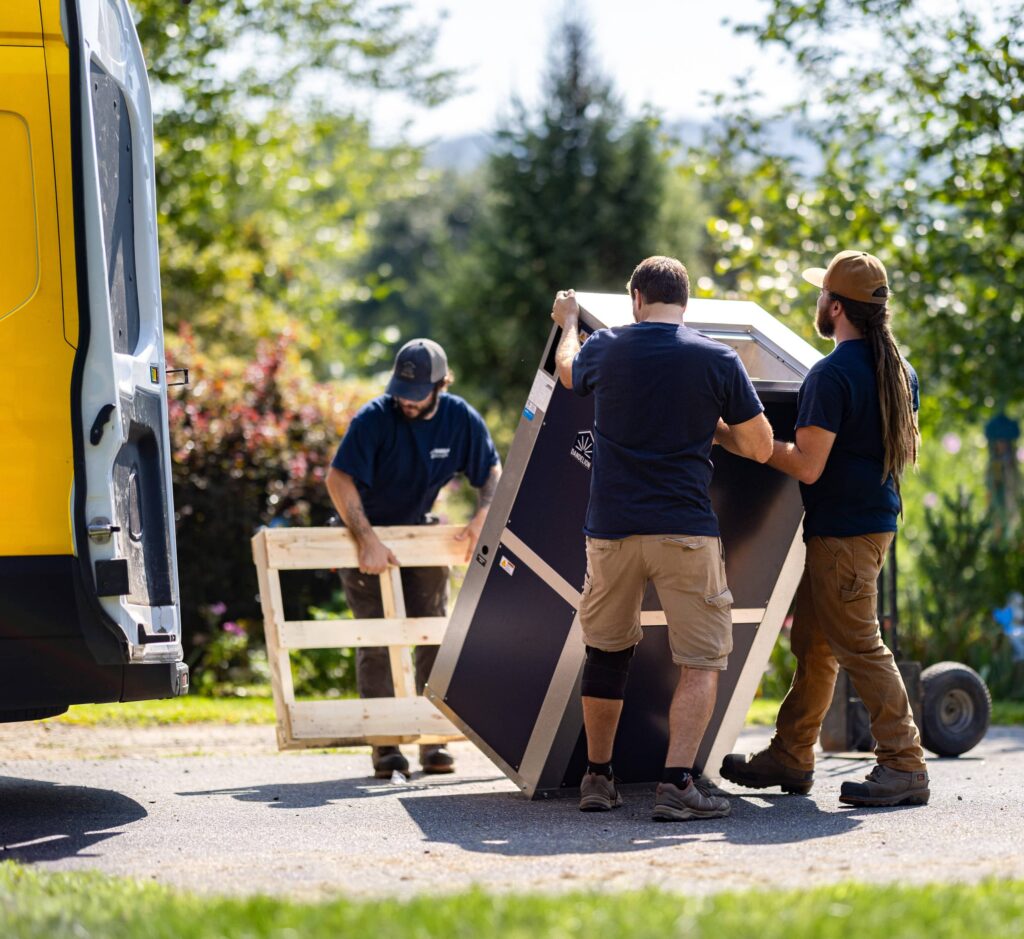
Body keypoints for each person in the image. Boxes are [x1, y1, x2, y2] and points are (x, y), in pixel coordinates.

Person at [550, 256, 774, 821]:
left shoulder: (607, 347)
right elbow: (761, 447)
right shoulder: (717, 358)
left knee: (606, 654)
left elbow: (567, 371)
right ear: (686, 302)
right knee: (700, 660)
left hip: (612, 532)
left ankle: (597, 778)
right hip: (685, 532)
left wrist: (569, 321)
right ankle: (676, 785)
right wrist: (711, 428)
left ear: (636, 299)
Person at [718, 250, 929, 807]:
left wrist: (741, 440)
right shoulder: (899, 370)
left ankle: (904, 763)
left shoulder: (831, 374)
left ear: (835, 307)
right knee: (814, 643)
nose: (818, 302)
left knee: (859, 645)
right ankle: (792, 753)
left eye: (821, 294)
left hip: (843, 534)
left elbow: (808, 465)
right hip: (868, 524)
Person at [326, 338, 501, 779]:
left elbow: (491, 473)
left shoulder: (459, 418)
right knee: (377, 640)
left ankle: (433, 739)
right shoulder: (374, 418)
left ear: (441, 385)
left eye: (417, 393)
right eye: (402, 391)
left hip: (420, 534)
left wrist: (482, 517)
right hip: (365, 533)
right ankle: (386, 745)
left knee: (431, 633)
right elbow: (338, 478)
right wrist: (367, 539)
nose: (406, 400)